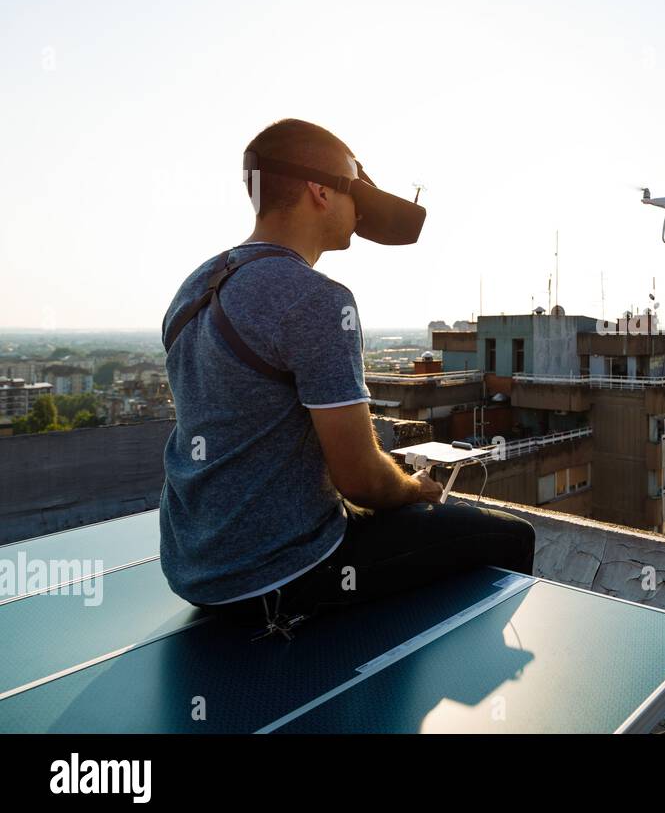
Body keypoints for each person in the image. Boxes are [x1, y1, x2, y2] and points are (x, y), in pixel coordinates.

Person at [159, 118, 534, 637]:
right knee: (511, 536)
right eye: (354, 189)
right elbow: (360, 480)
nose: (361, 209)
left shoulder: (195, 285)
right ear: (319, 191)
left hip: (194, 567)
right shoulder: (317, 299)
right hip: (282, 574)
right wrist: (414, 488)